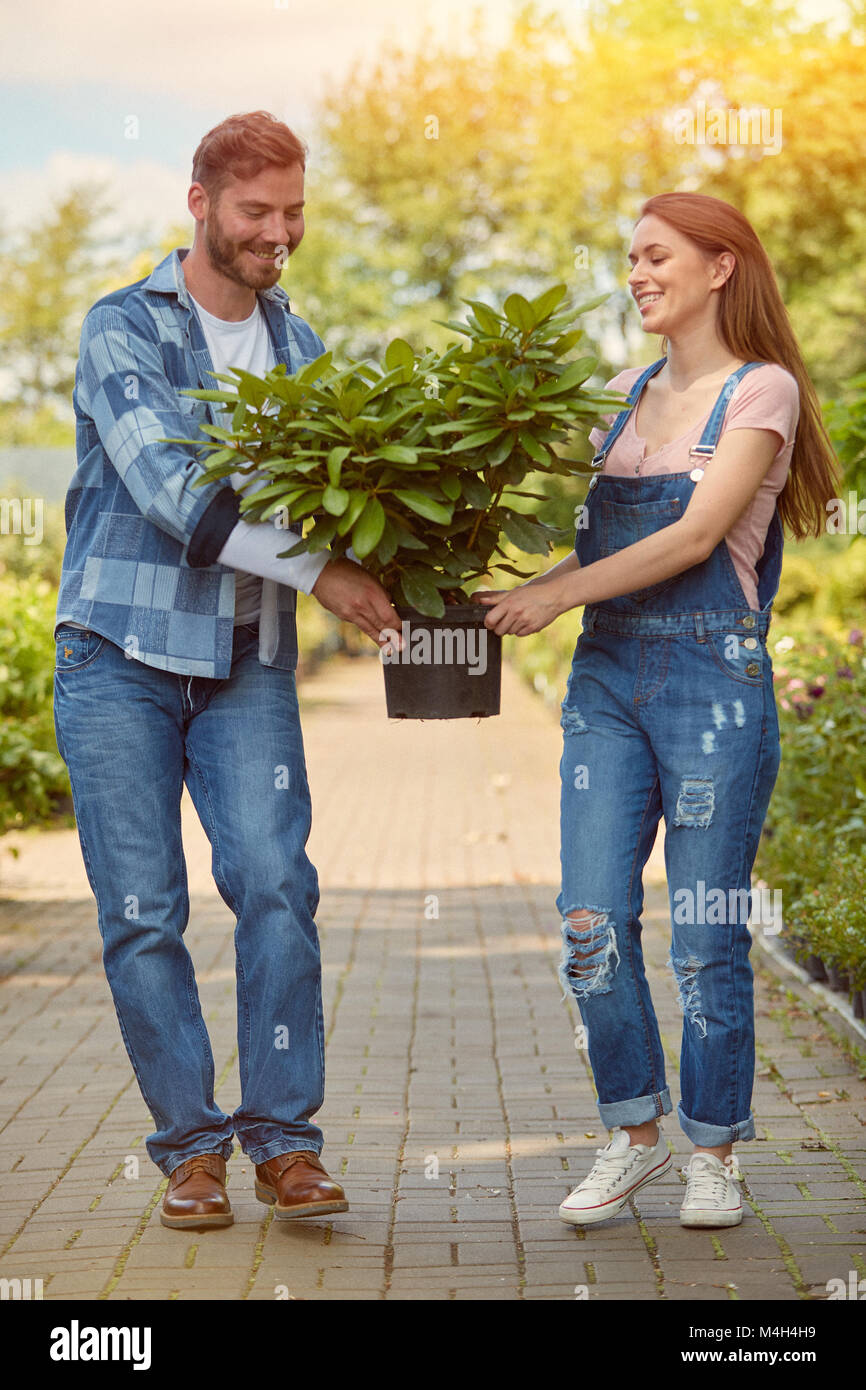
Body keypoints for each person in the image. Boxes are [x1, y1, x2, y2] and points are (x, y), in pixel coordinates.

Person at [53, 111, 397, 1229]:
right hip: (119, 658)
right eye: (257, 213)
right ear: (199, 204)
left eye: (293, 212)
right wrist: (327, 579)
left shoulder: (299, 347)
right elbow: (174, 499)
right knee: (143, 911)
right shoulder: (123, 328)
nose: (278, 234)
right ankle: (190, 1148)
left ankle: (285, 1142)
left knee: (277, 888)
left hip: (244, 660)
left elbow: (334, 497)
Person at [478, 191, 839, 1228]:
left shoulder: (757, 393)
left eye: (654, 255)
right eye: (628, 258)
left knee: (702, 935)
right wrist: (515, 583)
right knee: (588, 923)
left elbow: (688, 542)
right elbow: (594, 554)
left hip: (706, 687)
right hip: (604, 678)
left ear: (719, 267)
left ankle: (713, 1152)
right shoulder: (623, 399)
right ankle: (631, 1135)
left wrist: (554, 593)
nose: (634, 274)